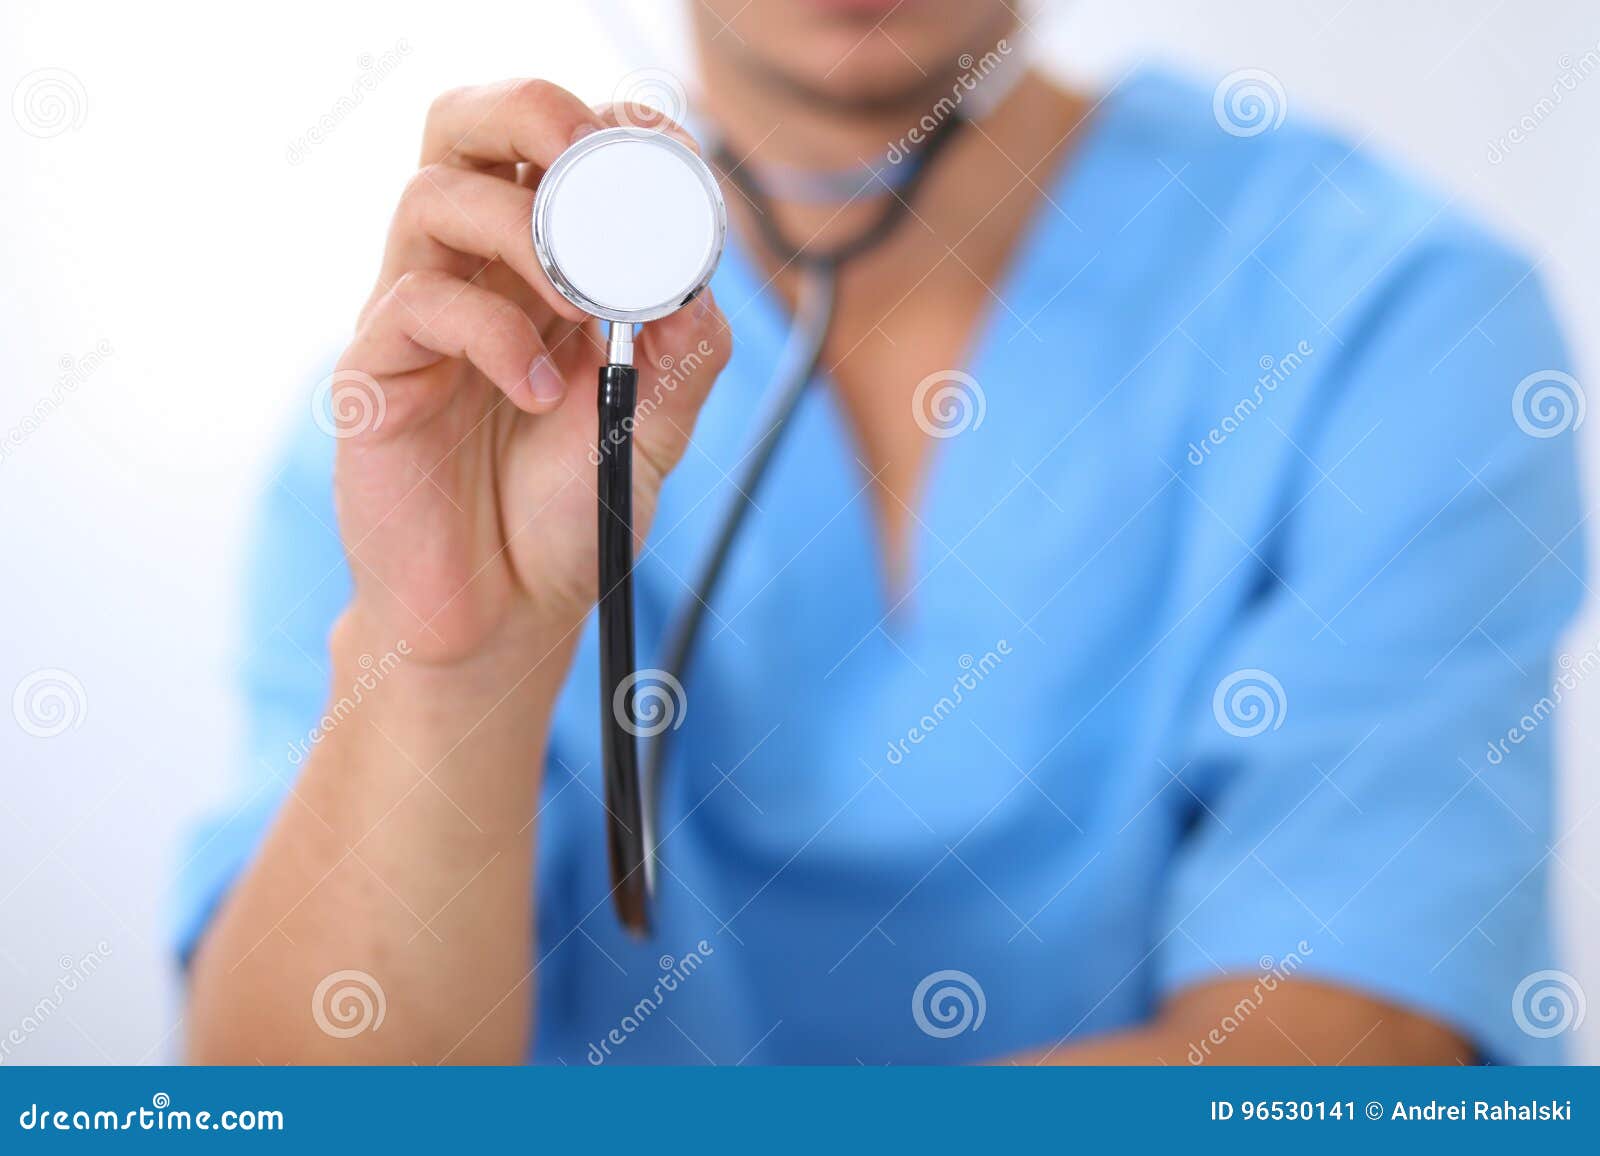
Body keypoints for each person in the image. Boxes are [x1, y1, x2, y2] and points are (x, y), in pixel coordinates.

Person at [180, 0, 1586, 1065]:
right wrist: (451, 669)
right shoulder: (441, 408)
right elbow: (297, 1104)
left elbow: (1340, 1070)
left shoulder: (1395, 320)